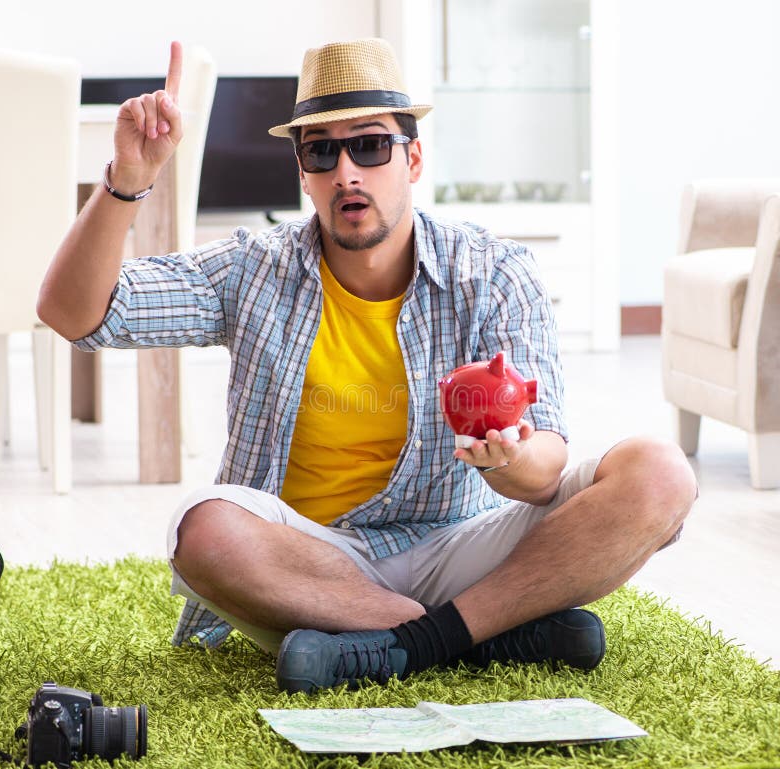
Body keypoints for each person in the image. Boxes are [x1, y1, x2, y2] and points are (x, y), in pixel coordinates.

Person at [37, 38, 698, 695]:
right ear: (303, 172)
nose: (347, 171)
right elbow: (74, 313)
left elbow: (546, 465)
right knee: (203, 528)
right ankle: (483, 633)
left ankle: (398, 646)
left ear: (412, 158)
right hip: (309, 567)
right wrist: (128, 182)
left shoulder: (491, 272)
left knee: (661, 475)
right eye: (322, 150)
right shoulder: (250, 268)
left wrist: (508, 460)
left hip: (457, 547)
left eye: (371, 145)